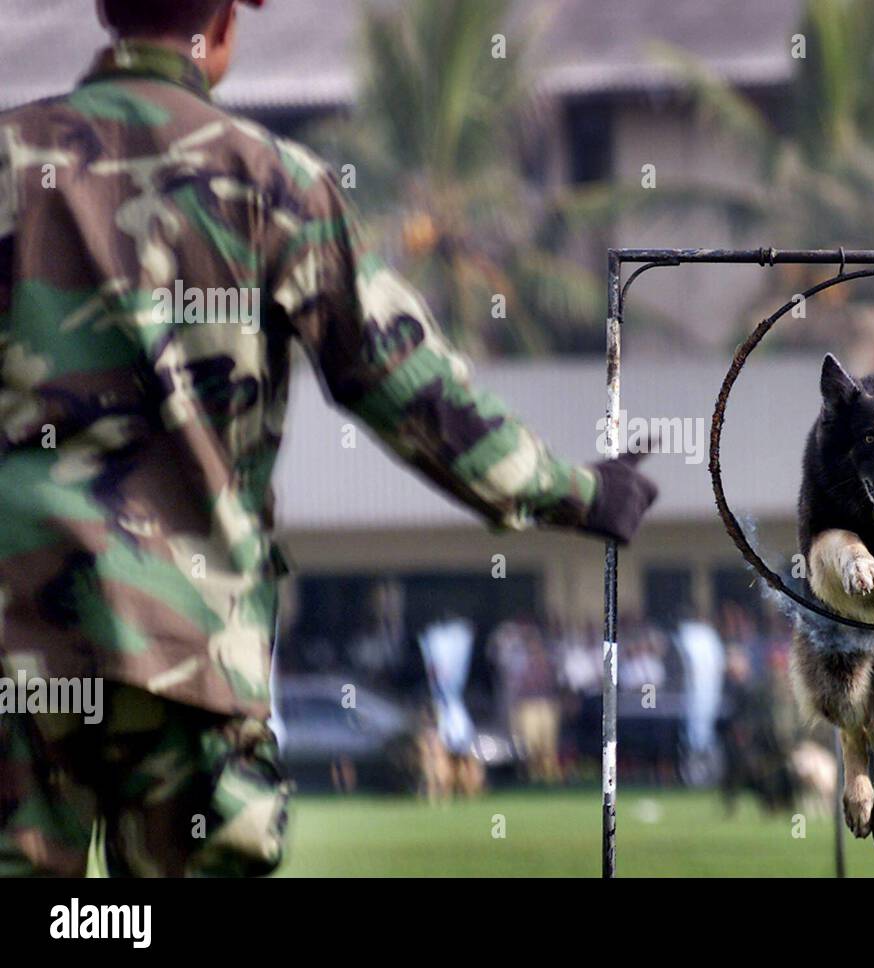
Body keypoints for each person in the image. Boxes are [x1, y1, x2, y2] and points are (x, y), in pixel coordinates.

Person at [0, 0, 656, 877]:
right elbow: (407, 387)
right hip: (191, 652)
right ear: (225, 25)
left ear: (104, 13)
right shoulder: (272, 181)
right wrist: (580, 491)